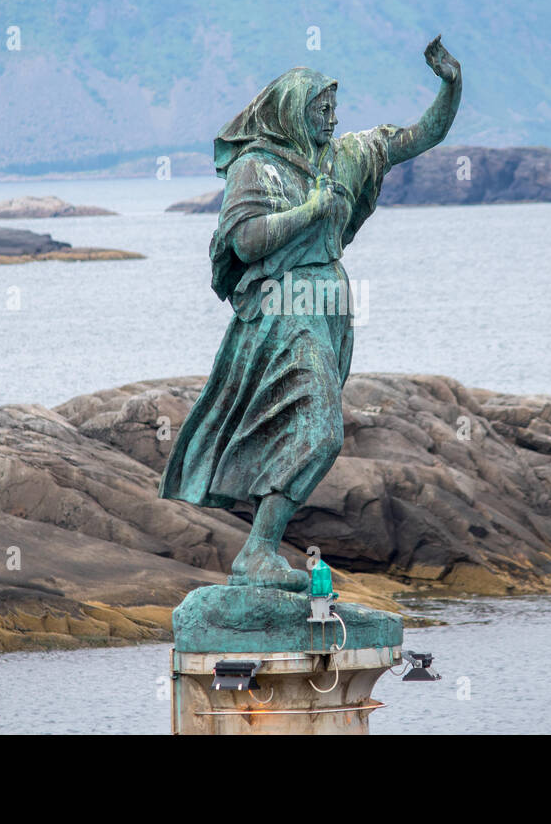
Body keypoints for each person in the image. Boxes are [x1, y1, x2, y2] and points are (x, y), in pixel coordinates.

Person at [159, 36, 462, 590]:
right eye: (321, 109)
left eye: (334, 109)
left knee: (305, 430)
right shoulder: (257, 167)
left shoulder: (346, 155)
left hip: (329, 308)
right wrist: (312, 210)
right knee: (320, 431)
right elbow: (246, 242)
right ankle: (258, 551)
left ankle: (261, 551)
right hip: (282, 310)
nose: (331, 118)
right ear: (293, 111)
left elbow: (422, 136)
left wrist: (451, 84)